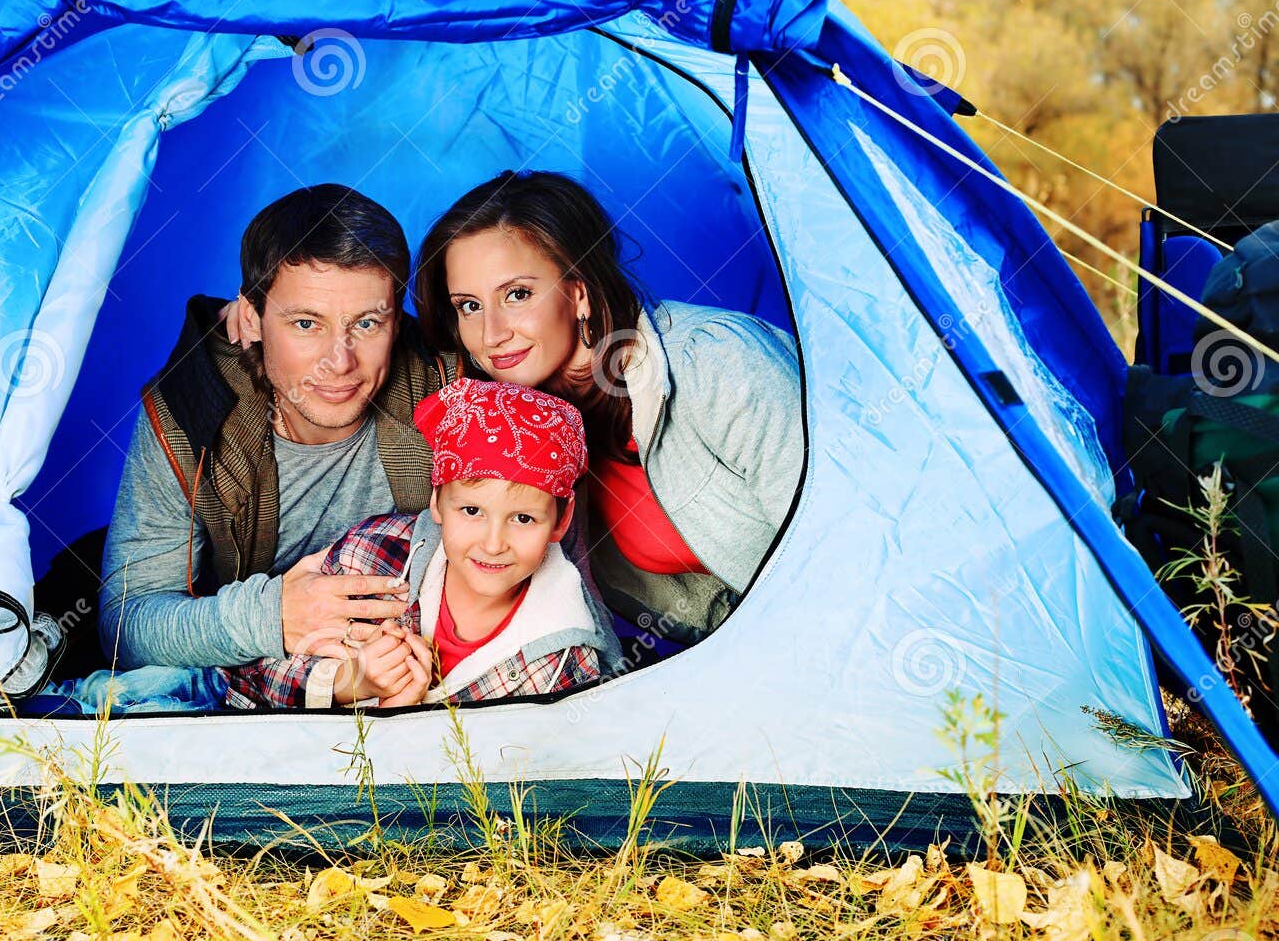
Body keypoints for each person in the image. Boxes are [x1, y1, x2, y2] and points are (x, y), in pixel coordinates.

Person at [413, 170, 804, 646]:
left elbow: (838, 544)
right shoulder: (510, 425)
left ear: (578, 294)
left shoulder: (716, 361)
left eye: (518, 294)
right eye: (469, 305)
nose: (491, 334)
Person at [100, 184, 455, 672]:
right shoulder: (188, 414)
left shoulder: (449, 389)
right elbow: (126, 628)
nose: (341, 361)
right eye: (307, 324)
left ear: (397, 321)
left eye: (368, 323)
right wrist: (274, 616)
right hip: (251, 691)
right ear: (250, 318)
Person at [221, 378, 613, 708]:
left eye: (523, 519)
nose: (493, 544)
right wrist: (350, 681)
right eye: (472, 511)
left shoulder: (568, 659)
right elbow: (244, 677)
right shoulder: (372, 555)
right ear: (437, 500)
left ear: (561, 520)